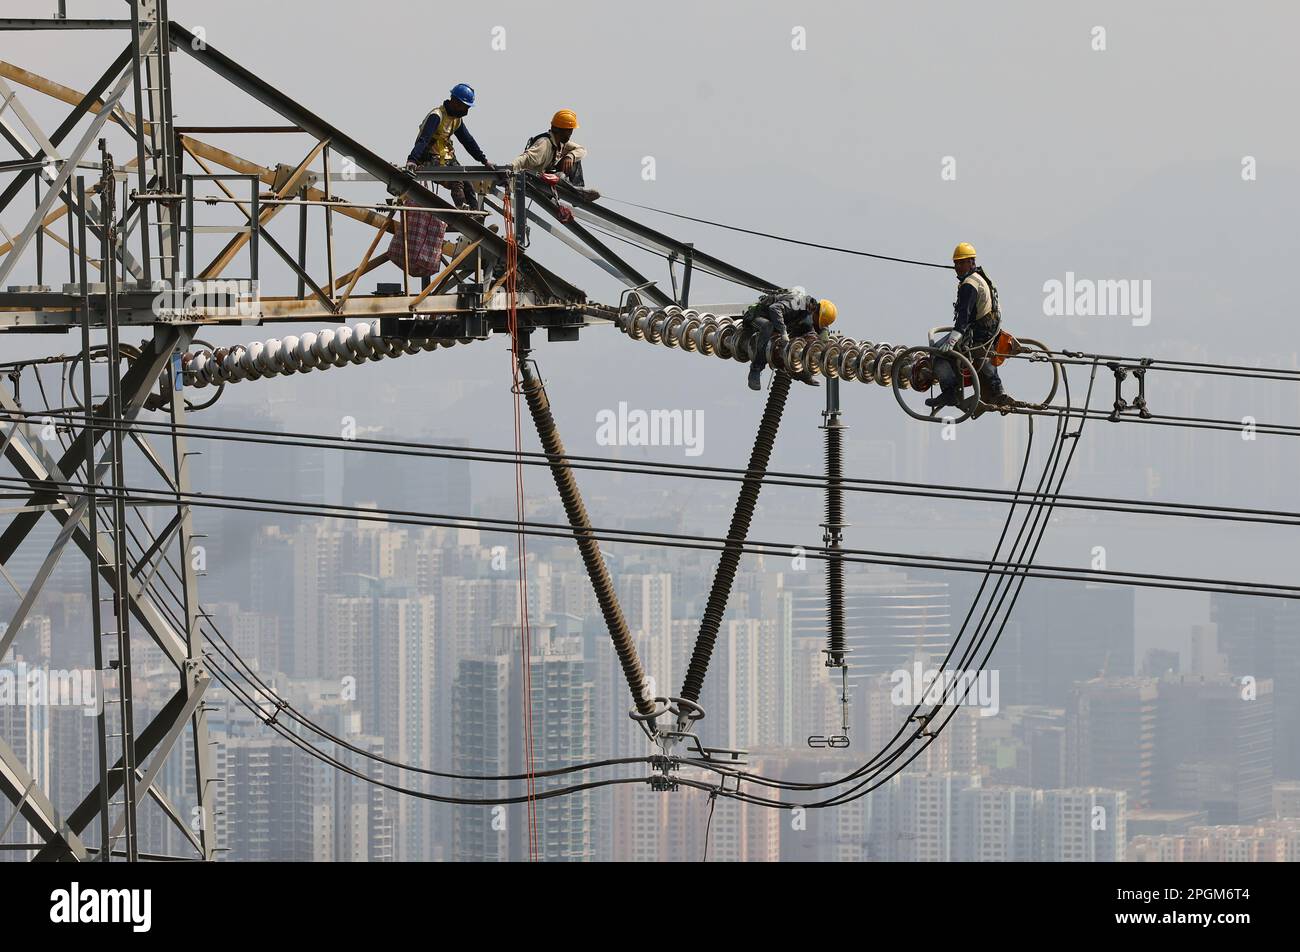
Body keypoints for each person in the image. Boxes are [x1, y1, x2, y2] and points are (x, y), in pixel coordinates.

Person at [926, 242, 1015, 411]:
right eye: (956, 263)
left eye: (961, 262)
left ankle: (950, 391)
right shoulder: (980, 278)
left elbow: (963, 316)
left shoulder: (969, 285)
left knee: (938, 353)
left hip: (977, 333)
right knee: (983, 355)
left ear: (971, 262)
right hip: (990, 331)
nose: (958, 267)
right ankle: (997, 390)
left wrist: (953, 340)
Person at [406, 83, 494, 210]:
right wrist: (412, 160)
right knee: (456, 180)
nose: (466, 111)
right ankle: (462, 211)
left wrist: (484, 160)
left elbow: (468, 141)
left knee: (467, 183)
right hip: (429, 159)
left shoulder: (455, 120)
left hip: (446, 160)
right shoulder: (437, 116)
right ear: (455, 102)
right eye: (465, 107)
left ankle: (476, 215)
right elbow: (423, 140)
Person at [742, 287, 837, 391]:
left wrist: (824, 340)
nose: (817, 324)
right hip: (759, 316)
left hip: (778, 322)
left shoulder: (811, 311)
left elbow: (822, 327)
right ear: (816, 313)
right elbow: (774, 308)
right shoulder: (797, 303)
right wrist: (783, 332)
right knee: (767, 327)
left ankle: (803, 374)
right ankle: (755, 369)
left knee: (808, 335)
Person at [510, 109, 599, 201]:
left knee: (574, 158)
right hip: (533, 184)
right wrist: (508, 169)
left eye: (571, 130)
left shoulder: (560, 142)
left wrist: (570, 156)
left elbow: (582, 150)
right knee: (560, 176)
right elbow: (524, 158)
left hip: (545, 180)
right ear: (557, 129)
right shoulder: (544, 144)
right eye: (568, 131)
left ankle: (579, 191)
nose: (570, 134)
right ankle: (578, 194)